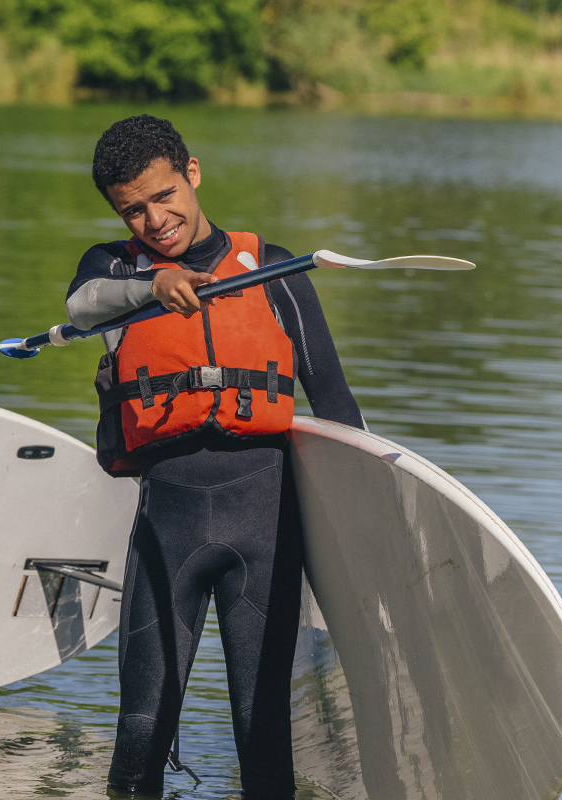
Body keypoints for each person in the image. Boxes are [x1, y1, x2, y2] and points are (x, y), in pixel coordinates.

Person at [67, 115, 364, 798]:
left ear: (192, 173)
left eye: (164, 195)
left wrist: (362, 537)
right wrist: (152, 287)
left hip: (266, 528)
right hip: (166, 532)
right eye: (132, 208)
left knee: (265, 750)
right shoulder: (114, 271)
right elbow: (82, 308)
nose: (154, 219)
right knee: (138, 742)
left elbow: (337, 405)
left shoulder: (276, 269)